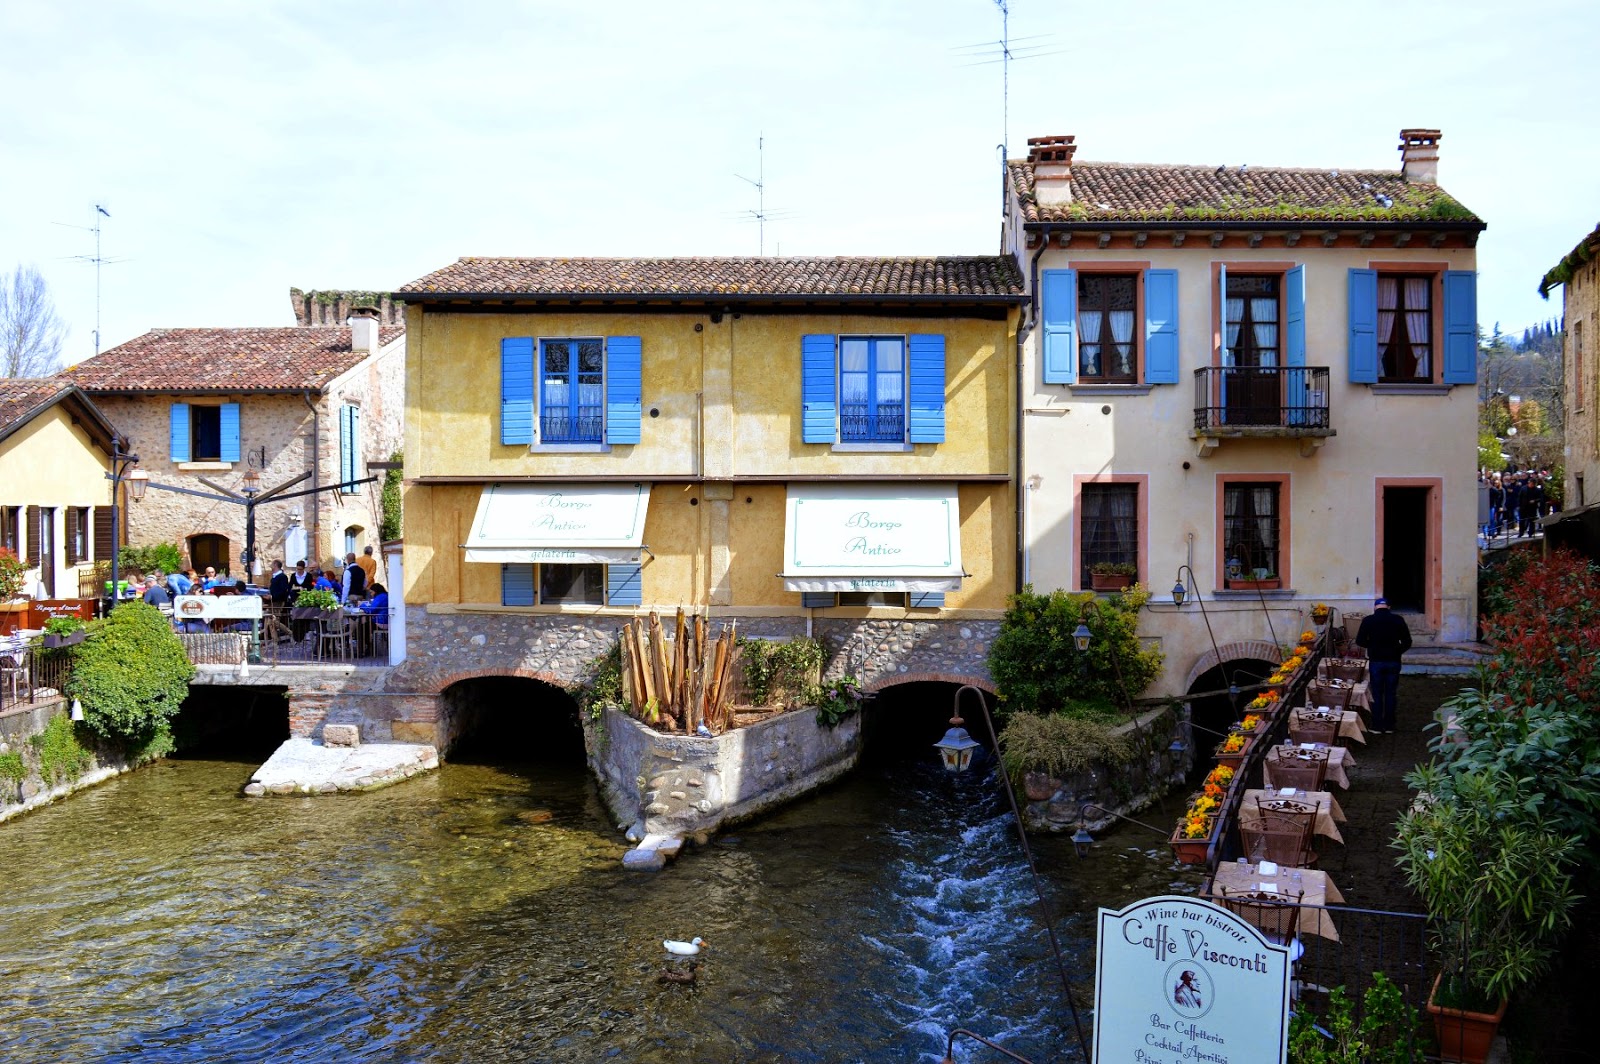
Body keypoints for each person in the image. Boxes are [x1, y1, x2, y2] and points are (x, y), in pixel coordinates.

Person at [1356, 597, 1412, 734]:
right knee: (1391, 693)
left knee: (1377, 692)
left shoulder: (1368, 620)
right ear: (1389, 607)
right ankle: (1390, 725)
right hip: (1393, 660)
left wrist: (1372, 647)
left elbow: (1360, 640)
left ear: (1375, 607)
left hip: (1376, 660)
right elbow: (1407, 641)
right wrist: (1398, 650)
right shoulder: (1398, 619)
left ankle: (1376, 725)